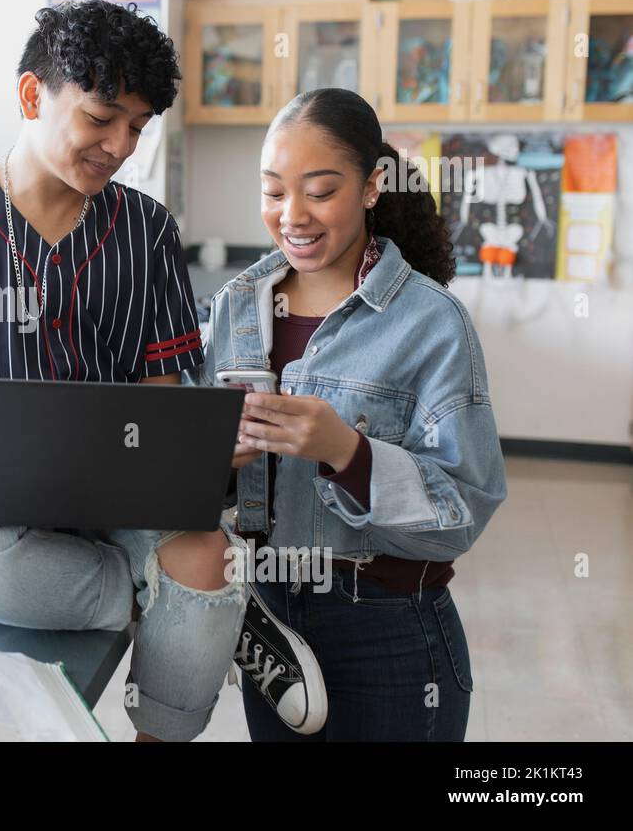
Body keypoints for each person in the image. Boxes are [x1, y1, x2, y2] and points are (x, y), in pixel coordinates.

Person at [0, 0, 257, 742]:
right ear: (34, 95)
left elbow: (160, 396)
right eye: (102, 117)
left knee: (211, 560)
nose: (119, 144)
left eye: (137, 127)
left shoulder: (147, 231)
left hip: (122, 492)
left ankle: (174, 677)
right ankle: (167, 604)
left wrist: (189, 453)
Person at [205, 87, 508, 740]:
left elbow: (462, 514)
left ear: (372, 186)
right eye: (273, 191)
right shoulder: (234, 308)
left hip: (390, 633)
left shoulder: (431, 322)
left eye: (319, 191)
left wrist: (349, 453)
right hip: (270, 623)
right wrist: (217, 465)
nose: (293, 215)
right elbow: (199, 495)